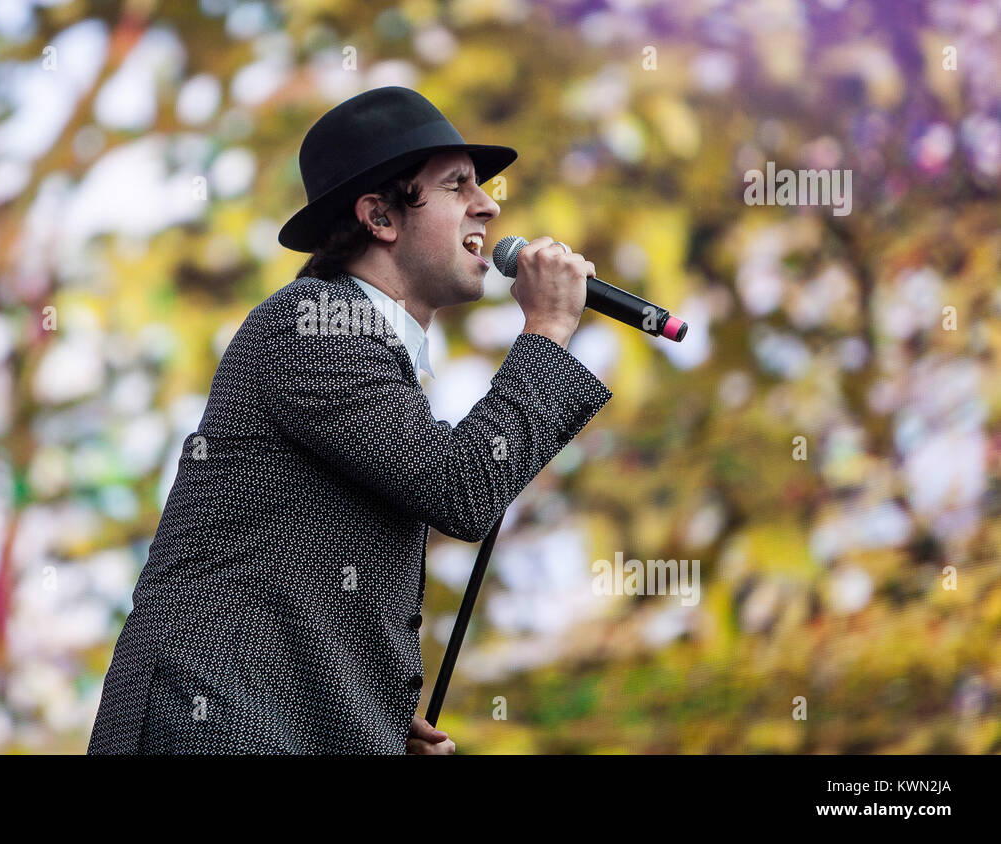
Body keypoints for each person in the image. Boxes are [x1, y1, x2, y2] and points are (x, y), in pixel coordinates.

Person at [88, 86, 612, 754]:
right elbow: (463, 489)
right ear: (380, 218)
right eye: (457, 186)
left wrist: (374, 731)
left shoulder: (362, 342)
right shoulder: (312, 324)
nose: (488, 204)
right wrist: (547, 328)